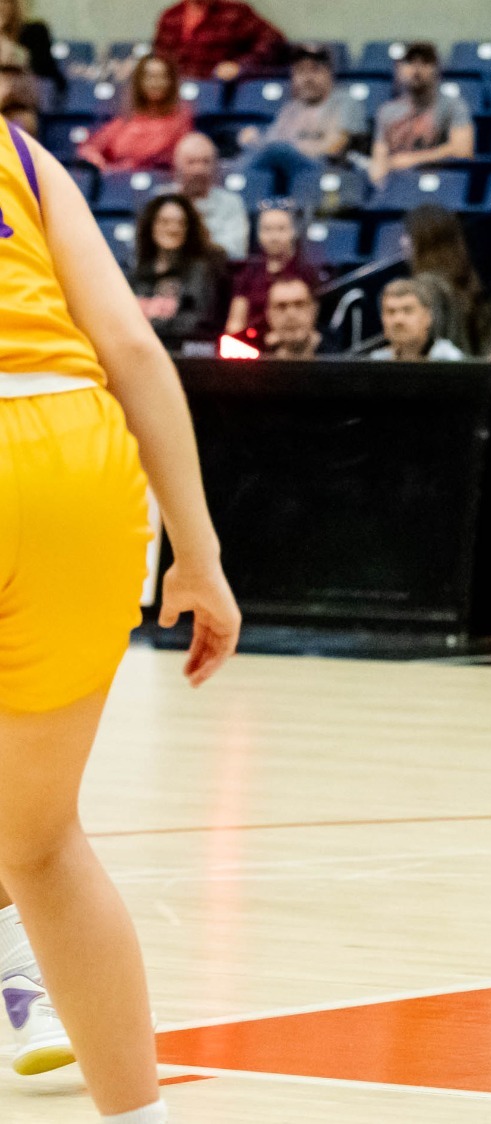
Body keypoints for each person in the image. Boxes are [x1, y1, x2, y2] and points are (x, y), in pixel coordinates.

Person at [0, 108, 241, 1123]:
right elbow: (135, 350)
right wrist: (198, 551)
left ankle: (20, 988)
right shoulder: (18, 150)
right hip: (71, 453)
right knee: (42, 842)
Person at [235, 45, 364, 192]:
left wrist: (292, 149)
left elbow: (335, 147)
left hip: (326, 171)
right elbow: (272, 143)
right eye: (300, 71)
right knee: (248, 149)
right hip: (286, 171)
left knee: (279, 150)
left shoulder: (345, 102)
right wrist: (255, 140)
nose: (307, 78)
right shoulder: (290, 108)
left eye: (315, 70)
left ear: (329, 73)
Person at [129, 193, 229, 350]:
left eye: (181, 223)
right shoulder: (134, 272)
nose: (173, 229)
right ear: (151, 226)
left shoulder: (200, 271)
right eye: (164, 222)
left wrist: (152, 326)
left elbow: (196, 321)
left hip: (180, 356)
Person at [368, 41, 473, 187]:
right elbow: (379, 158)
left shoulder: (454, 106)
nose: (417, 69)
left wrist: (412, 160)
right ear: (399, 69)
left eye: (425, 62)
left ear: (437, 69)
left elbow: (463, 150)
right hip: (398, 189)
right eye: (410, 62)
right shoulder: (386, 111)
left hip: (439, 187)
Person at [224, 203, 321, 343]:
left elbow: (310, 320)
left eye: (281, 229)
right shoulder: (247, 274)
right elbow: (235, 323)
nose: (274, 237)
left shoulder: (307, 273)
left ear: (293, 231)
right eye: (267, 229)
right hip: (253, 349)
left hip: (295, 345)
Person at [77, 55, 192, 174]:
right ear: (139, 81)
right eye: (150, 77)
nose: (155, 83)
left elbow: (154, 157)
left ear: (171, 82)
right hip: (116, 183)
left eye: (162, 77)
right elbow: (89, 148)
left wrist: (122, 167)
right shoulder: (126, 120)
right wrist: (99, 163)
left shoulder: (180, 122)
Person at [401, 203, 489, 356]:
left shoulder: (425, 288)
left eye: (407, 235)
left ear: (422, 239)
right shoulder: (466, 281)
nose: (402, 242)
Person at [148, 0, 285, 82]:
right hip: (177, 98)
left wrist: (240, 66)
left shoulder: (234, 13)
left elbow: (273, 41)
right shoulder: (171, 17)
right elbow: (161, 58)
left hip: (219, 93)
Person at [167, 132, 246, 260]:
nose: (199, 170)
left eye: (206, 162)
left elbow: (236, 252)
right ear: (177, 166)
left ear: (216, 166)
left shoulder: (231, 202)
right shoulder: (163, 201)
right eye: (191, 162)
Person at [368, 278, 464, 361]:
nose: (398, 320)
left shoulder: (450, 360)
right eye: (391, 312)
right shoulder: (374, 362)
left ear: (427, 317)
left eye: (407, 310)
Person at [0, 0, 66, 105]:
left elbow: (47, 74)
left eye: (5, 2)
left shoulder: (35, 32)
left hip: (21, 106)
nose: (1, 7)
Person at [256, 275, 320, 358]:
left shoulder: (339, 352)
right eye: (281, 306)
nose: (291, 314)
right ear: (268, 314)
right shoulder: (252, 358)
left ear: (313, 310)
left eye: (299, 304)